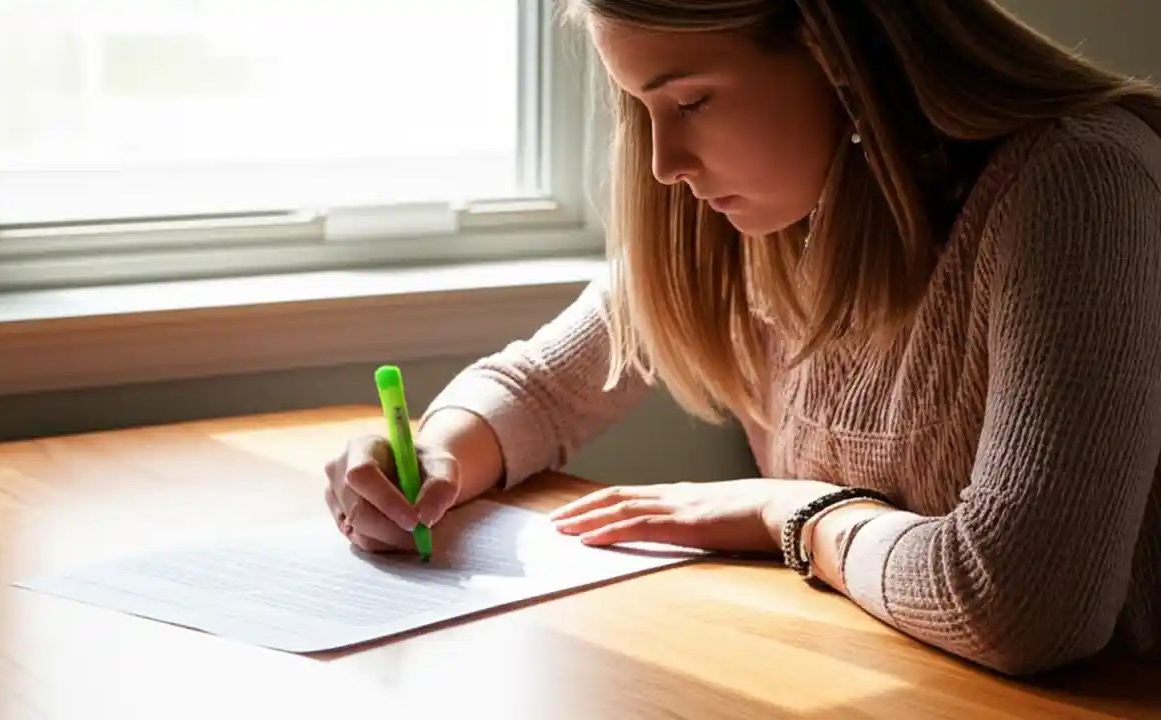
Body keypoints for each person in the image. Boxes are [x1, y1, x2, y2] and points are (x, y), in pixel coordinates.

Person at [322, 0, 1161, 676]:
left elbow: (1022, 606)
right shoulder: (760, 209)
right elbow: (541, 386)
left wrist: (788, 511)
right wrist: (434, 454)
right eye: (642, 107)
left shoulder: (1080, 185)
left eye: (691, 102)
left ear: (835, 52)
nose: (664, 163)